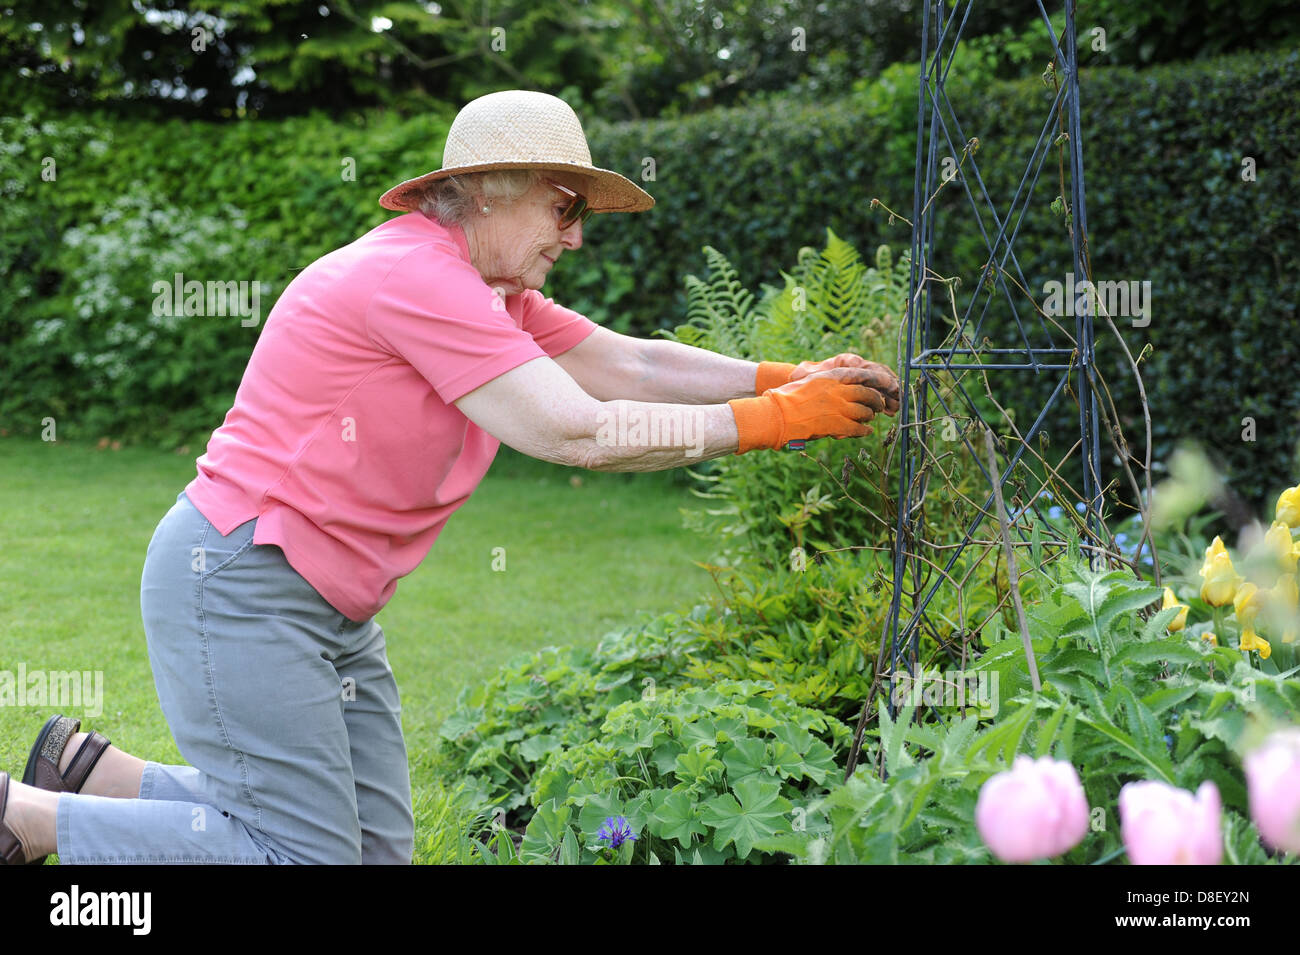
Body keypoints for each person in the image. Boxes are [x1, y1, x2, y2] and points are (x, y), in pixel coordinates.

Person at [0, 89, 900, 866]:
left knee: (373, 851)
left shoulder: (488, 293)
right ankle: (30, 817)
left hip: (327, 605)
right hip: (243, 578)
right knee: (302, 854)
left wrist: (786, 379)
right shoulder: (414, 279)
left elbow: (629, 367)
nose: (577, 235)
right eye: (562, 207)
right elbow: (574, 428)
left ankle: (94, 776)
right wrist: (773, 422)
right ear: (488, 193)